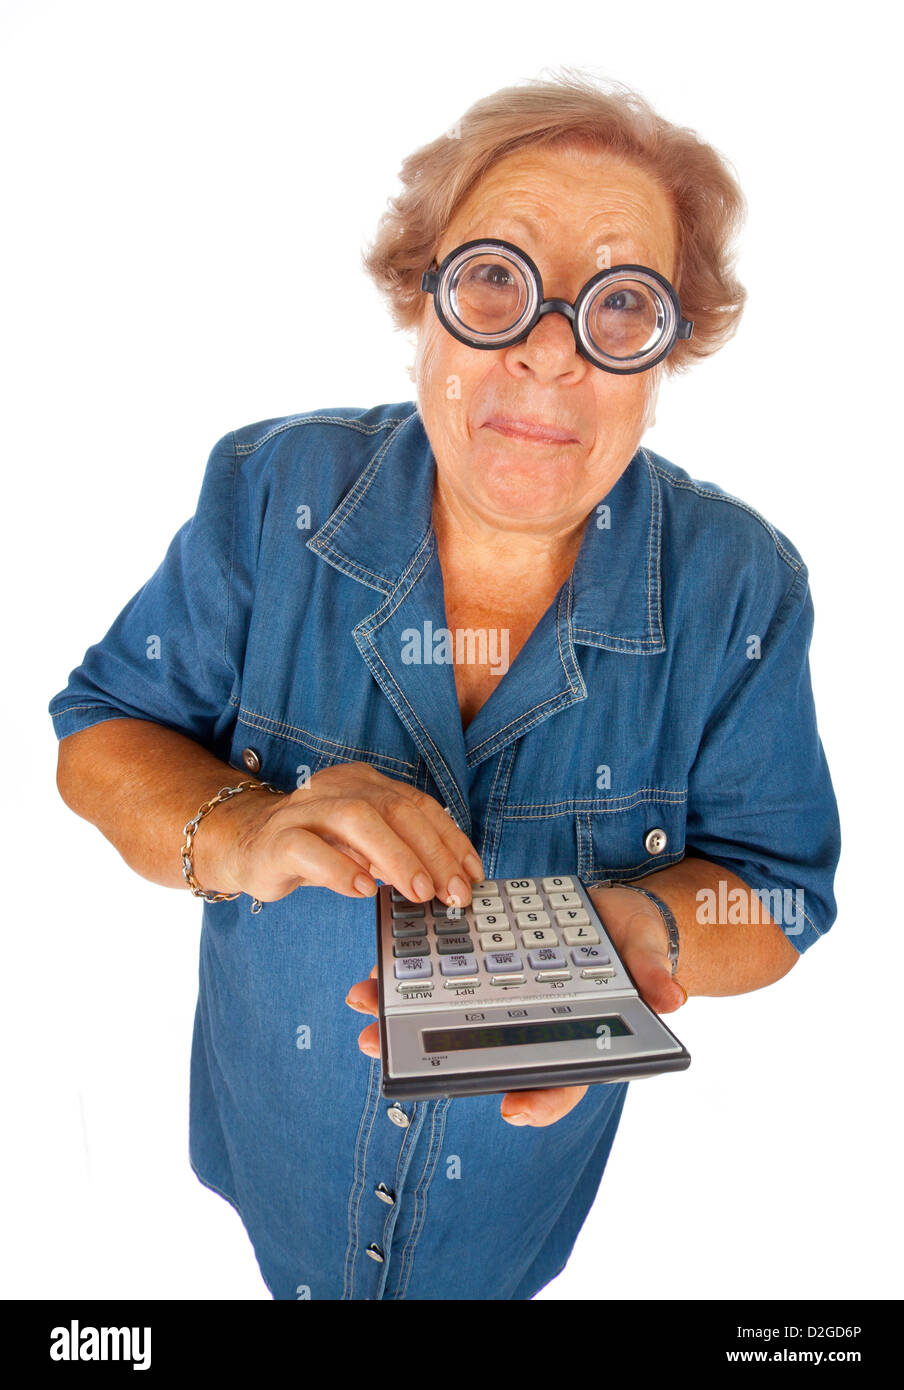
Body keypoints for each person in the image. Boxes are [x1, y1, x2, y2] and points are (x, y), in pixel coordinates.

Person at [49, 74, 840, 1300]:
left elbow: (776, 896)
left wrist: (647, 932)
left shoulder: (736, 586)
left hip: (508, 1208)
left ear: (664, 353)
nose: (544, 349)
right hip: (273, 1135)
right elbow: (100, 736)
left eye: (618, 303)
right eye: (493, 281)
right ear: (417, 295)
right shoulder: (272, 491)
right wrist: (247, 826)